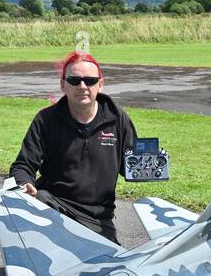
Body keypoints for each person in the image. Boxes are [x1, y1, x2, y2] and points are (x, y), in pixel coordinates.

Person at [9, 50, 137, 244]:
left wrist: (150, 167)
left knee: (108, 269)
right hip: (53, 205)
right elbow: (22, 166)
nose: (83, 86)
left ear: (100, 84)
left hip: (97, 216)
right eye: (74, 80)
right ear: (63, 85)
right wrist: (24, 184)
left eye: (90, 80)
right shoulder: (46, 119)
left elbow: (131, 168)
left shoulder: (118, 119)